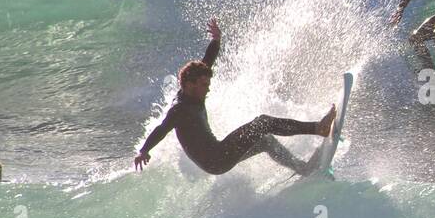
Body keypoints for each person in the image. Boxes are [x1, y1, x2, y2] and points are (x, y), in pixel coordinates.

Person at [133, 19, 335, 176]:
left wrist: (216, 40)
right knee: (262, 123)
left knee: (265, 141)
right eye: (204, 85)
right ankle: (318, 128)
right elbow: (162, 129)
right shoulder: (180, 110)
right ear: (189, 84)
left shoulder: (193, 90)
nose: (208, 89)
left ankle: (303, 169)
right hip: (217, 158)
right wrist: (144, 150)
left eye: (208, 84)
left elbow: (207, 62)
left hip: (218, 157)